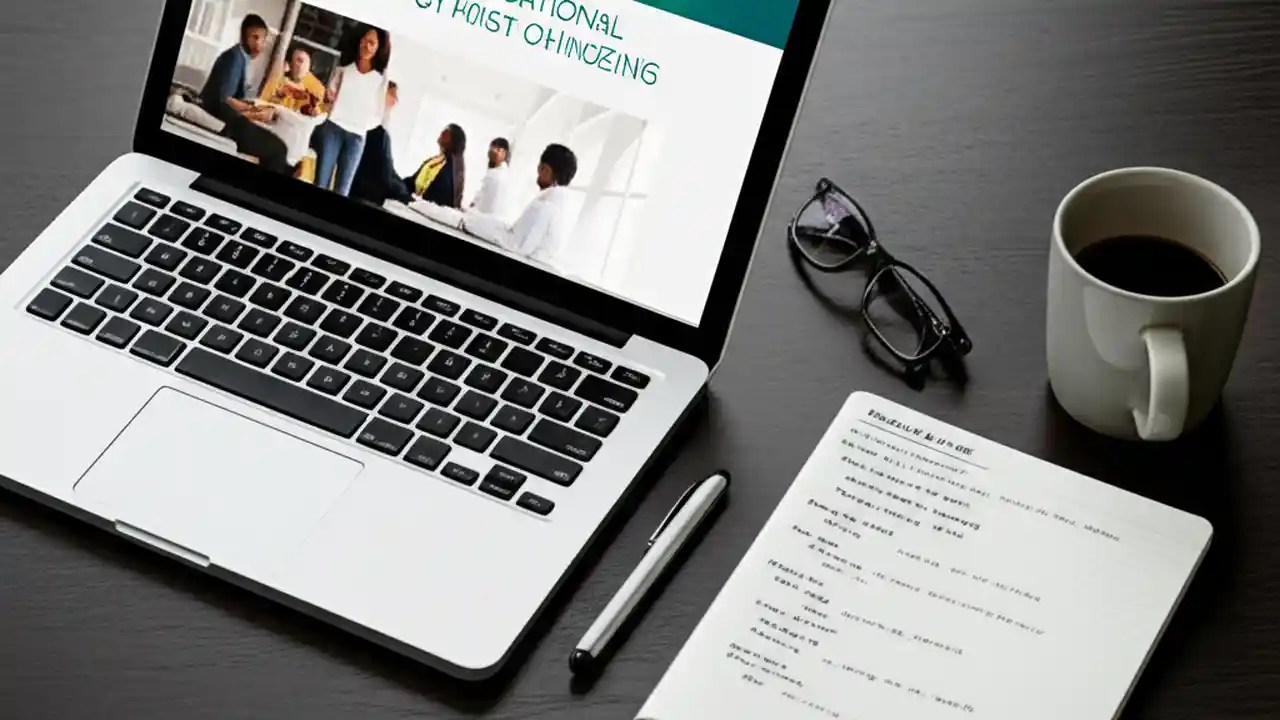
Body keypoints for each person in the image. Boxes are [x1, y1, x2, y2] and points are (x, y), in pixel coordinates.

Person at [198, 14, 292, 174]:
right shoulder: (235, 58)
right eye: (254, 37)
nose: (259, 44)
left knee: (278, 149)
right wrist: (254, 113)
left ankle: (287, 171)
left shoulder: (241, 58)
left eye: (262, 39)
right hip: (226, 121)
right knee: (278, 149)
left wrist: (255, 108)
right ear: (243, 36)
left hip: (231, 118)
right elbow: (225, 100)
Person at [462, 144, 578, 267]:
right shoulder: (564, 206)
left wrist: (471, 224)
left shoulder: (545, 205)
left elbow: (515, 245)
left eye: (540, 168)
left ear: (545, 169)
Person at [314, 25, 391, 195]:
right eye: (364, 41)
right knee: (321, 181)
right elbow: (330, 96)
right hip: (333, 128)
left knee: (343, 190)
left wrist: (361, 125)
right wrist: (331, 101)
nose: (367, 46)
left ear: (379, 48)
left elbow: (378, 114)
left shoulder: (380, 79)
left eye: (372, 43)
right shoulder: (344, 69)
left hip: (356, 137)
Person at [350, 82, 413, 206]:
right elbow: (384, 176)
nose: (395, 100)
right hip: (366, 195)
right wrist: (405, 194)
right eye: (392, 95)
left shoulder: (380, 131)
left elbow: (387, 170)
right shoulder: (376, 132)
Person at [406, 124, 467, 208]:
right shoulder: (436, 160)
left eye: (447, 131)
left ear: (453, 141)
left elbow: (436, 197)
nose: (442, 132)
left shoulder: (450, 170)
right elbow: (414, 180)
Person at [260, 46, 326, 114]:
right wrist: (279, 95)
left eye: (304, 62)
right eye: (298, 61)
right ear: (289, 64)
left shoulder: (317, 88)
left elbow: (319, 112)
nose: (300, 65)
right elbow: (263, 103)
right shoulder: (279, 79)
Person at [470, 138, 515, 218]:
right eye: (492, 148)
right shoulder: (495, 172)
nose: (493, 151)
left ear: (505, 154)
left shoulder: (498, 175)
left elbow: (485, 205)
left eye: (498, 150)